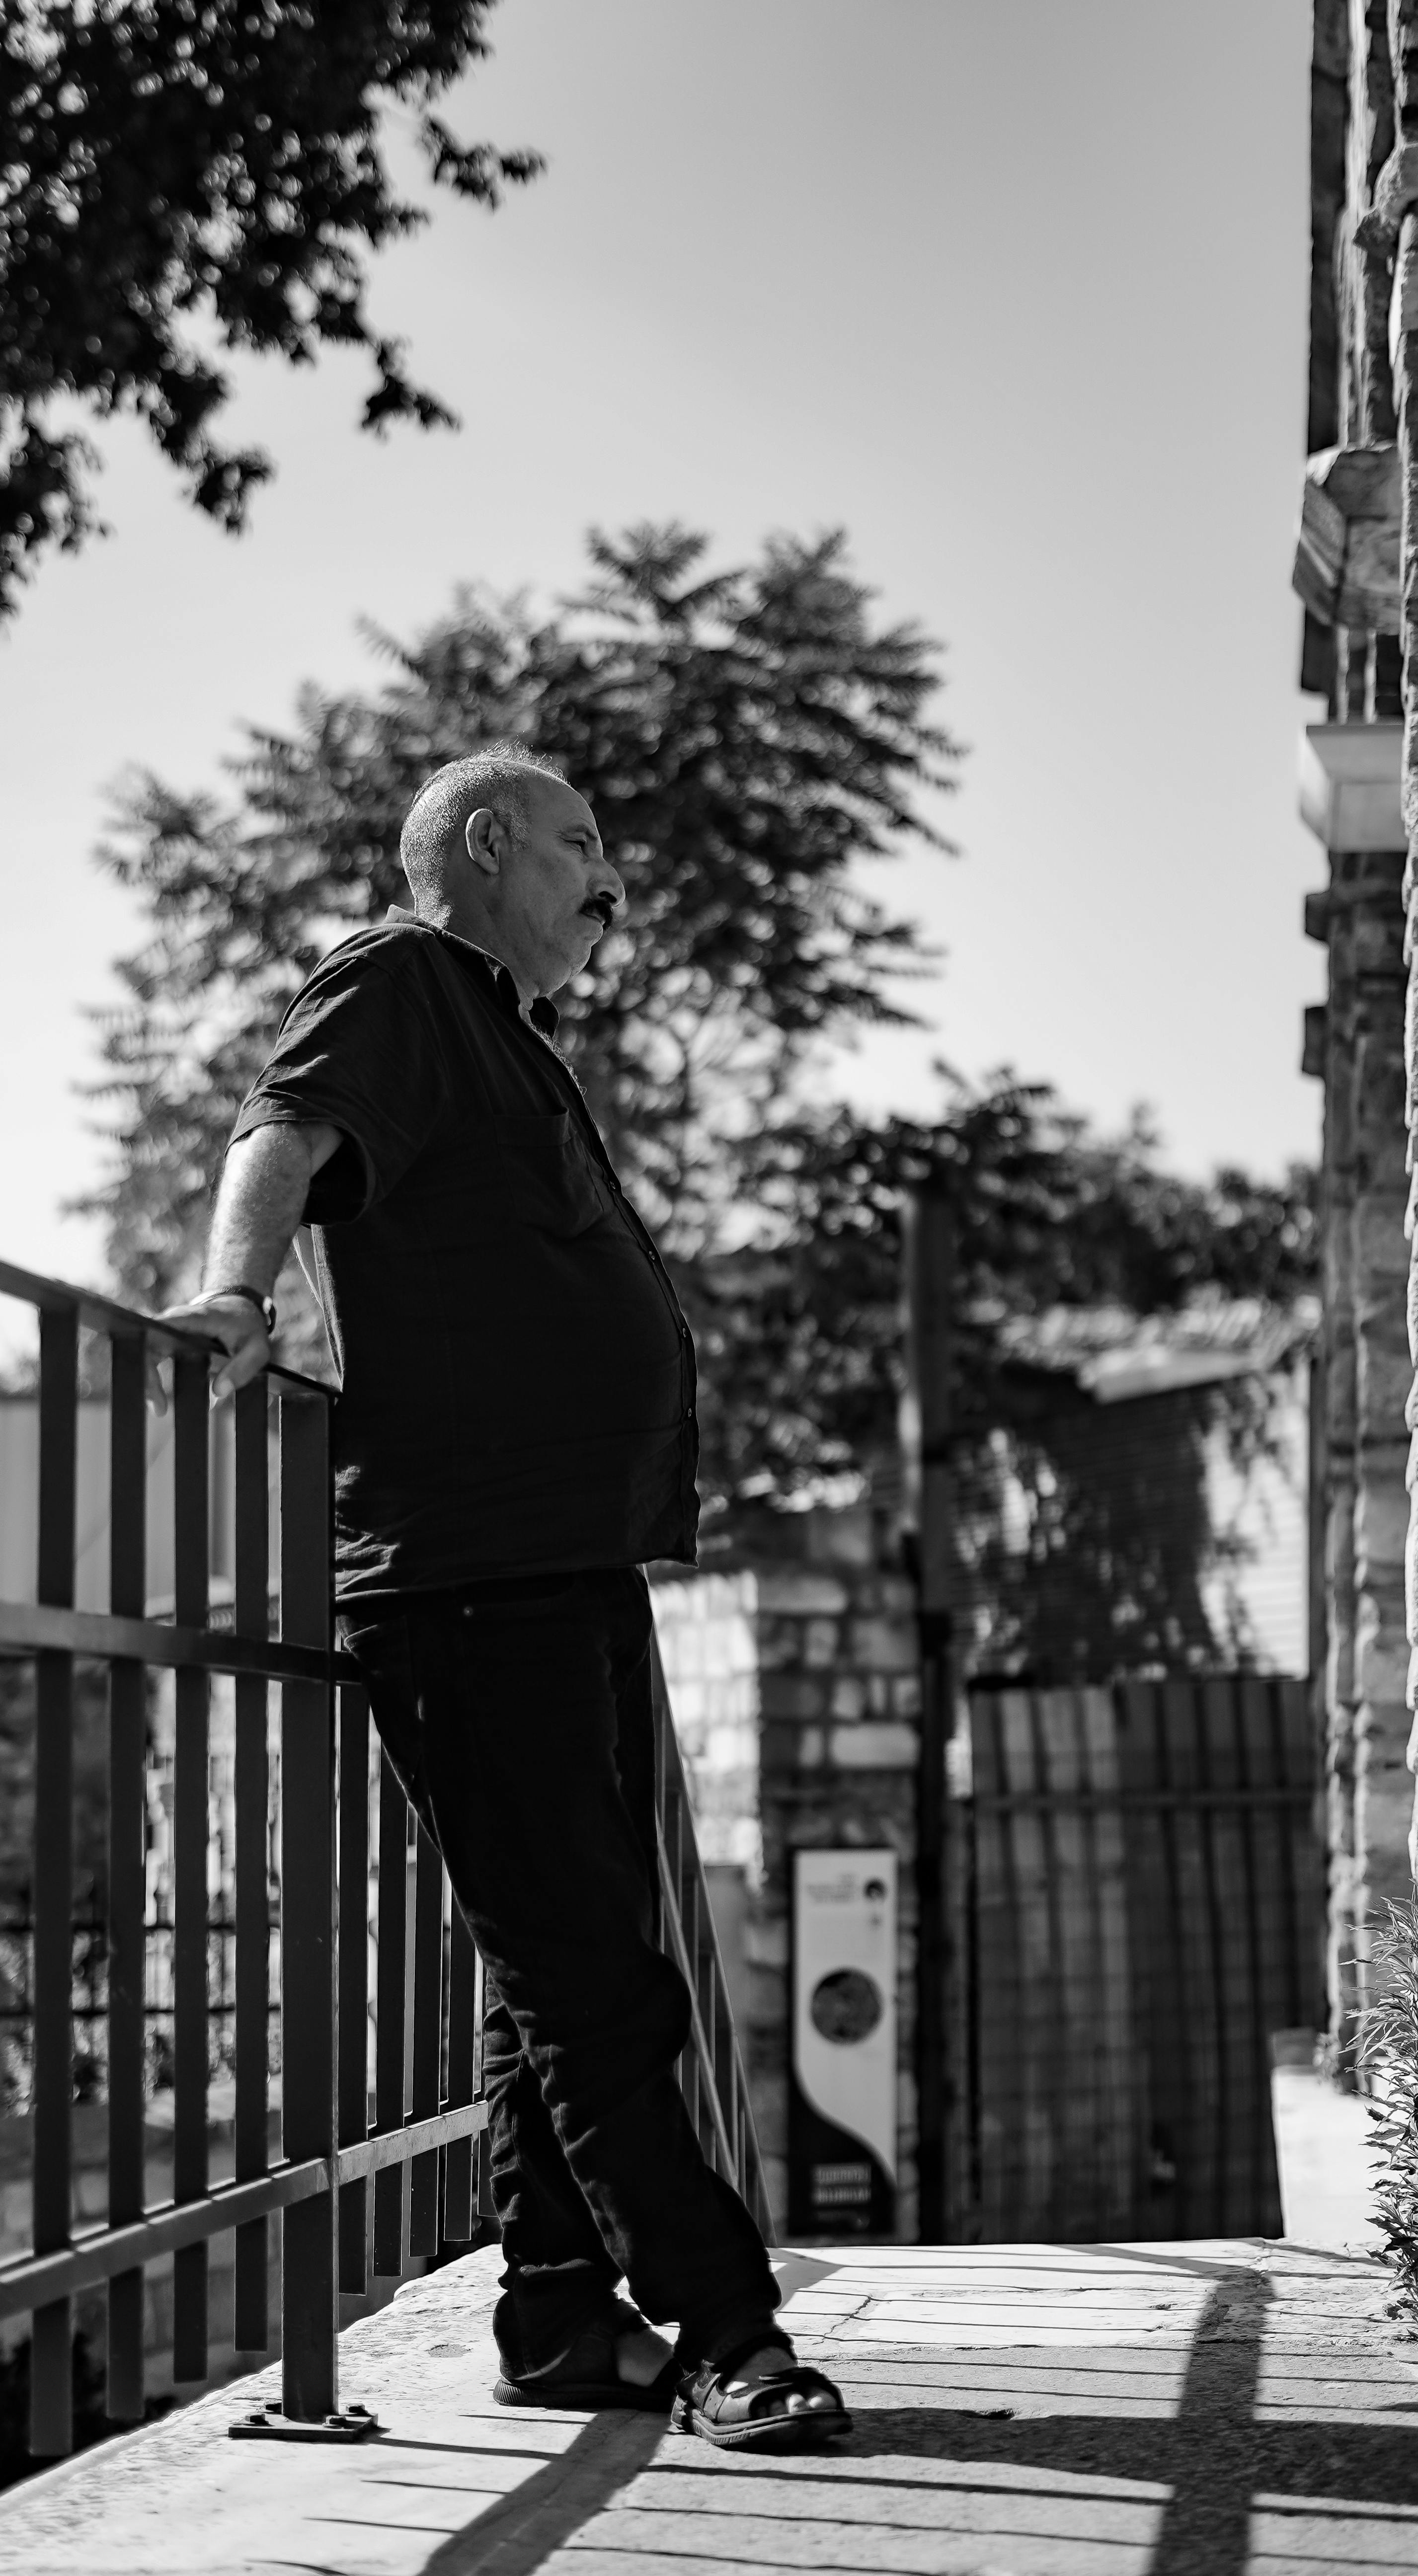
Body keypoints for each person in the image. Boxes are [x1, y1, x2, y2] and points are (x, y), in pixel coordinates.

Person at [156, 745, 848, 2453]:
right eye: (582, 844)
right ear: (483, 847)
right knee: (598, 1979)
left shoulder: (509, 1038)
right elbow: (284, 1127)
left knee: (565, 1970)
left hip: (560, 1563)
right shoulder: (404, 979)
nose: (612, 882)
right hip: (470, 1577)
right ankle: (729, 2332)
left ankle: (554, 2316)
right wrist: (237, 1286)